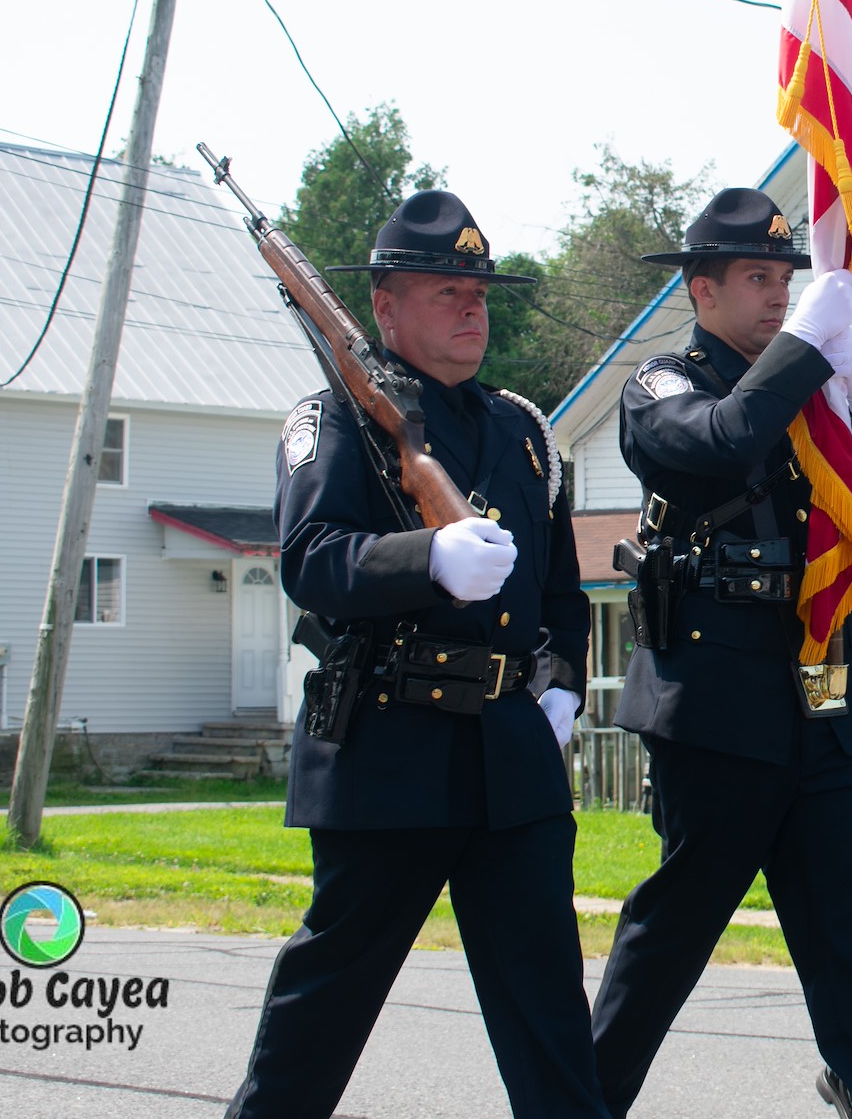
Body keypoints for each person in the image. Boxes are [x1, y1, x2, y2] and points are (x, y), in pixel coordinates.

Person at [227, 191, 604, 1118]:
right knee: (324, 1012)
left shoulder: (523, 430)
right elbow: (312, 560)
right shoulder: (335, 423)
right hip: (390, 748)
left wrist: (559, 690)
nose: (473, 307)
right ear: (385, 308)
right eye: (447, 291)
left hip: (511, 759)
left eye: (477, 289)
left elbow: (561, 589)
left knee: (552, 1024)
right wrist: (425, 557)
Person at [587, 187, 852, 1119]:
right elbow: (723, 437)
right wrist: (804, 354)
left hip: (823, 691)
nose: (778, 296)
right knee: (675, 932)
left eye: (787, 277)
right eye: (755, 278)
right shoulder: (663, 381)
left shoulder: (812, 390)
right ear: (701, 291)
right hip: (718, 699)